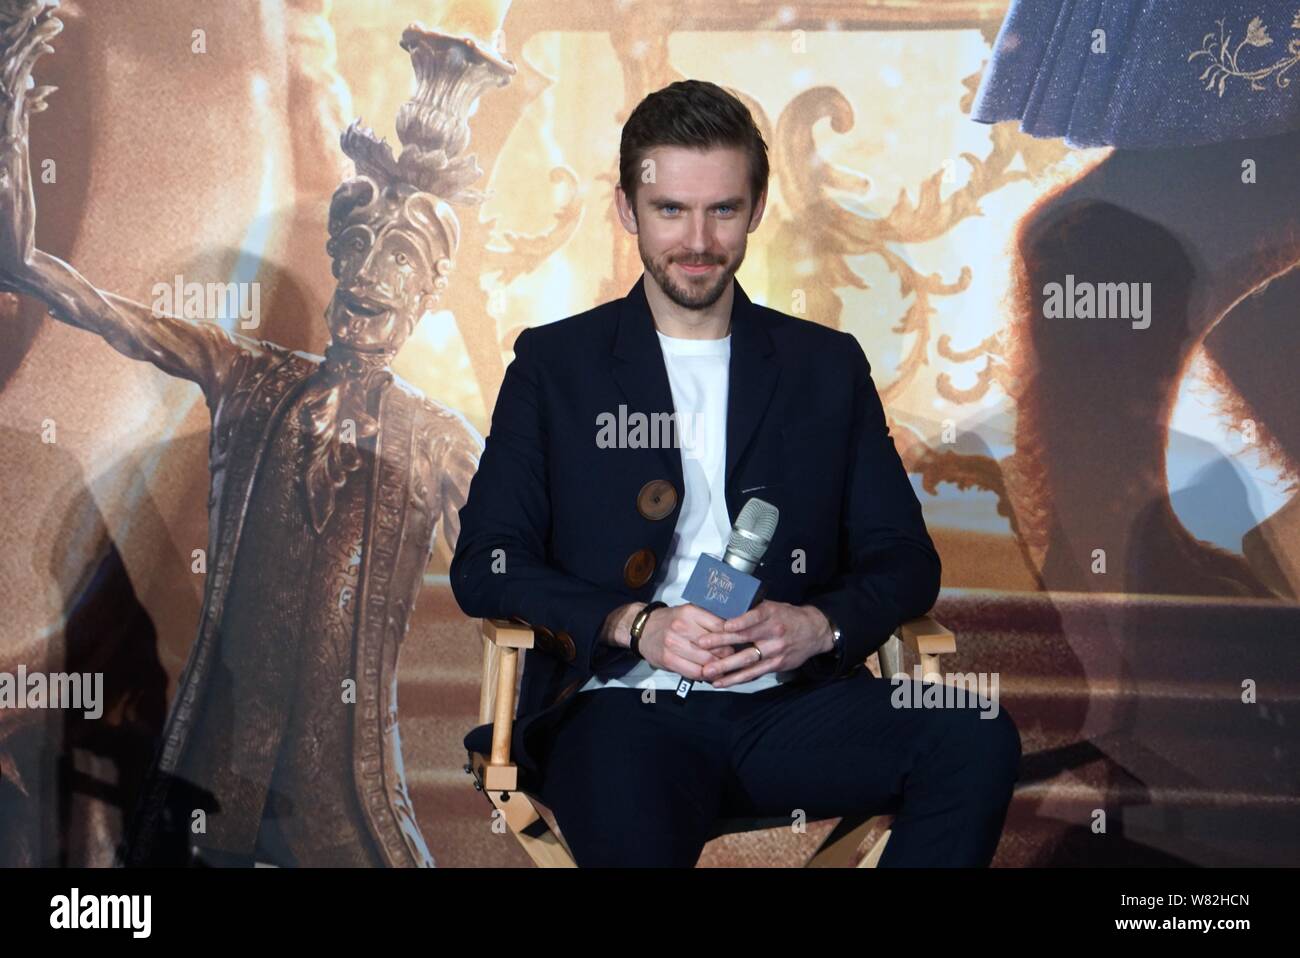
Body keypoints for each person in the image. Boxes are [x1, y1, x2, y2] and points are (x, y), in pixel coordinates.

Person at [450, 79, 1021, 867]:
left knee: (975, 735)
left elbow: (905, 560)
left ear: (755, 210)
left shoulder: (826, 366)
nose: (697, 240)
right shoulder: (556, 366)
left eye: (722, 209)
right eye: (670, 210)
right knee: (628, 800)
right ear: (627, 209)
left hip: (793, 708)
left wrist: (816, 627)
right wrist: (633, 623)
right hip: (622, 713)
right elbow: (487, 562)